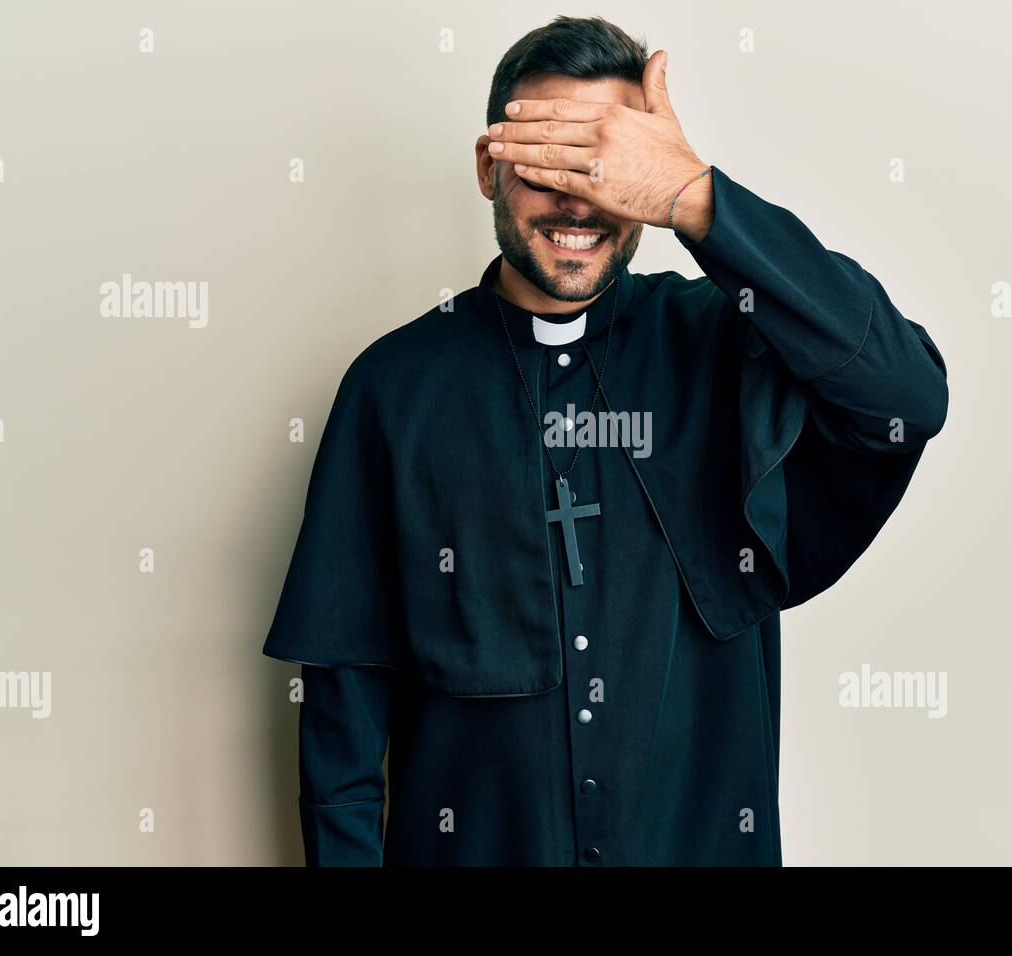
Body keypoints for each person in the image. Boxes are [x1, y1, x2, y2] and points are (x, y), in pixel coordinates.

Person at [263, 15, 949, 866]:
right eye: (549, 163)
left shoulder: (722, 344)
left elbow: (906, 397)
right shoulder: (393, 388)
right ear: (489, 168)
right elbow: (341, 716)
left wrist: (696, 199)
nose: (579, 202)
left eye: (606, 168)